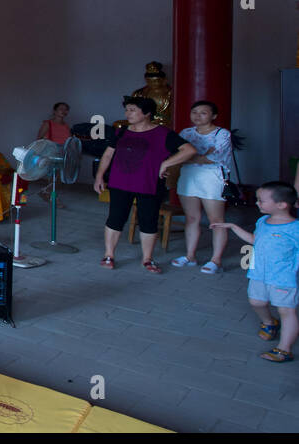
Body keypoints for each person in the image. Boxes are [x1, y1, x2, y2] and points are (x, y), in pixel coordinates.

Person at [94, 95, 198, 273]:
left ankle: (147, 259)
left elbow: (189, 150)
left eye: (133, 109)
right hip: (120, 182)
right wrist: (99, 177)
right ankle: (109, 254)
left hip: (148, 184)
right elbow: (108, 155)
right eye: (127, 109)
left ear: (147, 113)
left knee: (148, 221)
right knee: (115, 218)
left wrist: (166, 163)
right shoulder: (121, 132)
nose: (128, 113)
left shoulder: (163, 133)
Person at [212, 182, 299, 362]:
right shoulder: (262, 221)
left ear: (282, 205)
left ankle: (284, 349)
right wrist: (233, 227)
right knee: (256, 302)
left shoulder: (295, 228)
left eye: (261, 200)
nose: (257, 203)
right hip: (258, 274)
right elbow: (254, 240)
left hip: (284, 278)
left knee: (287, 311)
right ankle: (269, 323)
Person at [171, 100, 234, 274]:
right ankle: (190, 255)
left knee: (216, 221)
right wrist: (196, 156)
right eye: (194, 112)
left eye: (203, 113)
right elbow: (177, 154)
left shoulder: (222, 134)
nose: (197, 116)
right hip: (189, 177)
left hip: (212, 178)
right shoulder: (186, 132)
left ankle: (216, 260)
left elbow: (212, 158)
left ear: (213, 116)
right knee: (191, 218)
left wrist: (189, 157)